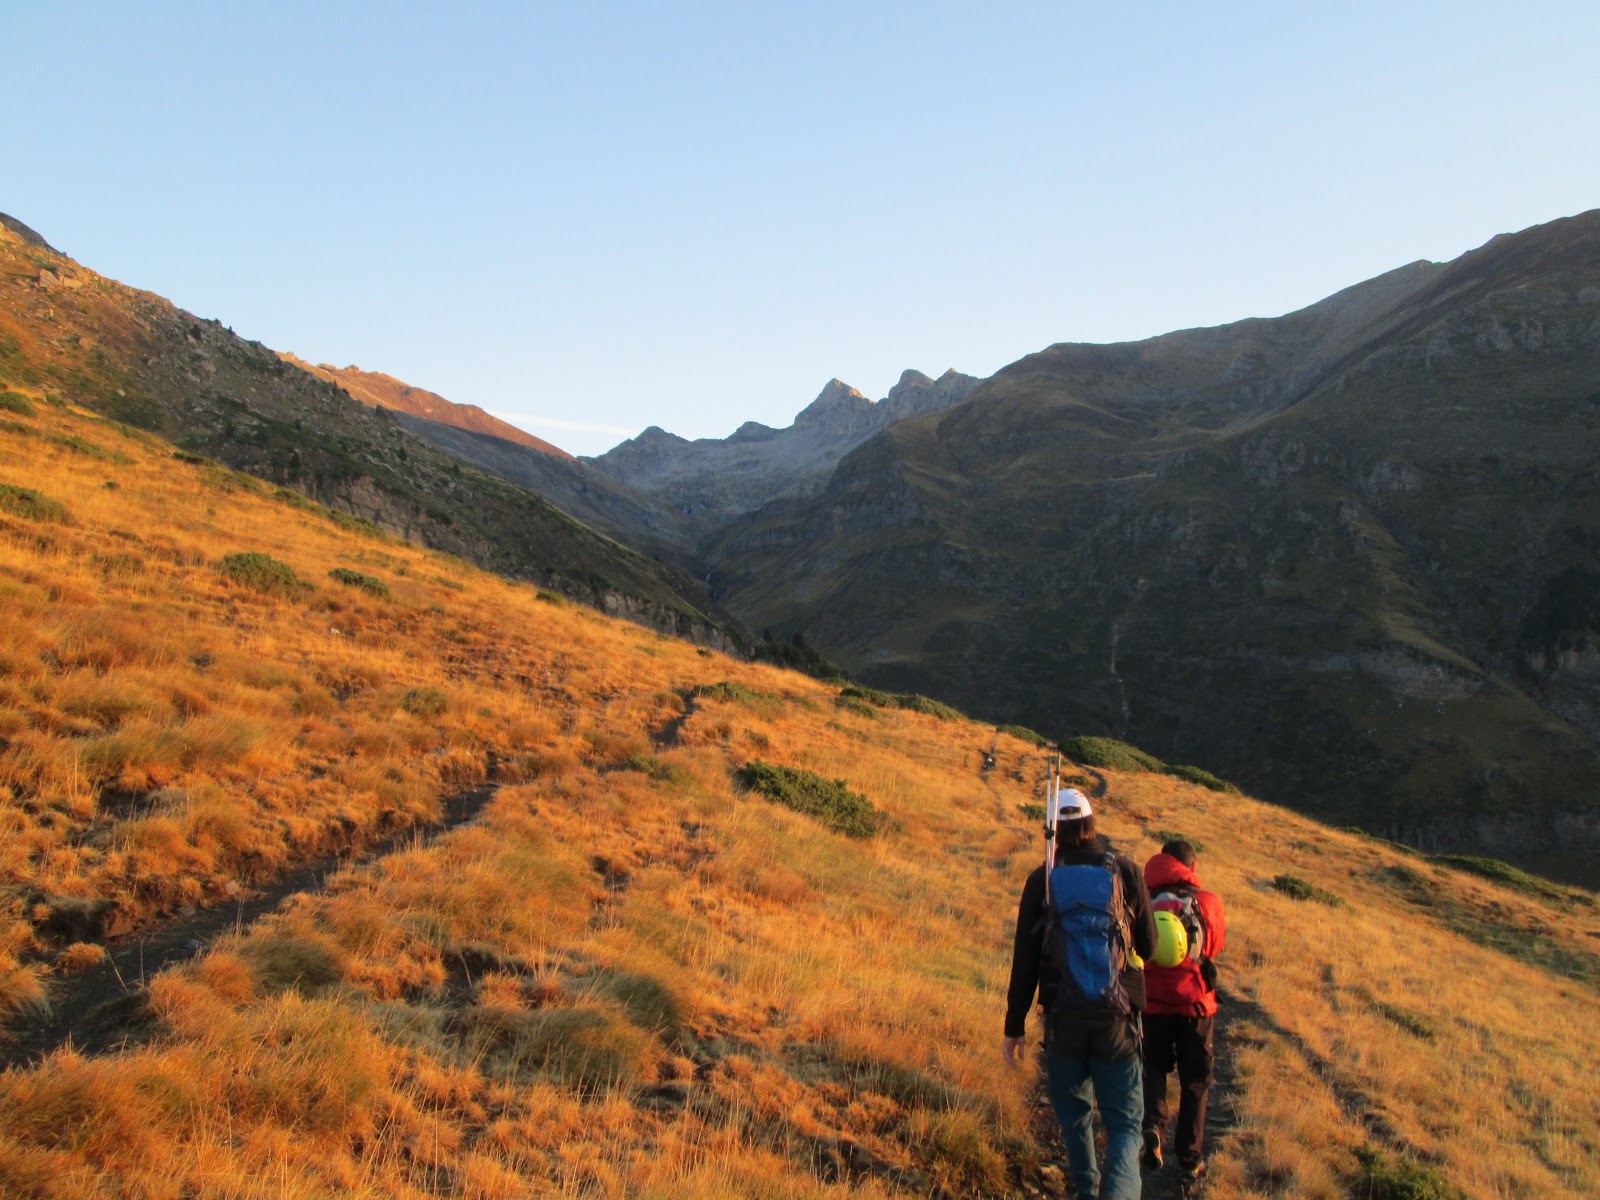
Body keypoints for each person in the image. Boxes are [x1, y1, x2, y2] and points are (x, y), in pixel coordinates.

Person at [1004, 789, 1157, 1200]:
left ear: (1054, 829)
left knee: (1074, 1112)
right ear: (1092, 824)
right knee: (1125, 1123)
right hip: (1117, 1017)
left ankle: (1087, 1191)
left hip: (1062, 1015)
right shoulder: (1124, 870)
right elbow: (1150, 945)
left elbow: (1026, 958)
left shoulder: (1045, 880)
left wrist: (1014, 1025)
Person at [1140, 839, 1227, 1187]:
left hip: (1153, 1001)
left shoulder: (1143, 899)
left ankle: (1152, 1126)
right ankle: (1190, 1160)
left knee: (1154, 1067)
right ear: (1191, 867)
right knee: (1195, 1081)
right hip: (1196, 1005)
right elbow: (1214, 945)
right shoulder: (1207, 902)